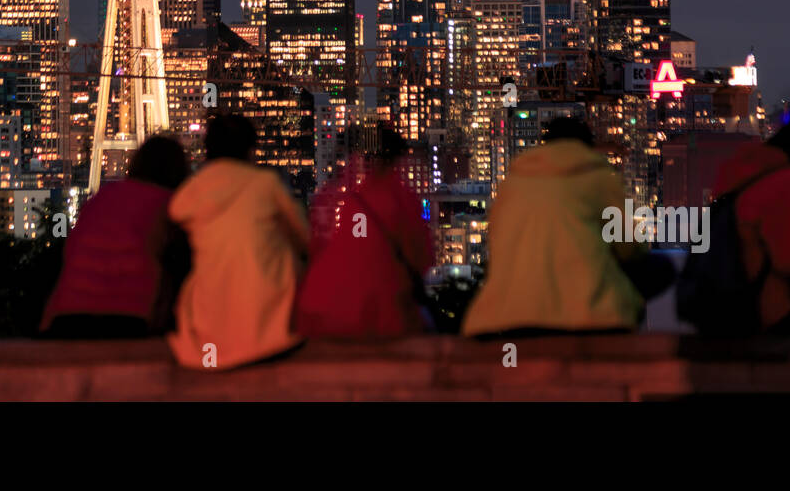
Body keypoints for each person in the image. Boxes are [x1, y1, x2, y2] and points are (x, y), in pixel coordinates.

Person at [461, 116, 645, 336]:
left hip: (508, 313)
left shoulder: (511, 185)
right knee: (658, 269)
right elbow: (630, 247)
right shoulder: (599, 177)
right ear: (587, 146)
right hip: (589, 313)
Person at [167, 113, 310, 369]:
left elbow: (176, 212)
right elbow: (303, 238)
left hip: (209, 326)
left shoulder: (192, 191)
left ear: (208, 150)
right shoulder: (265, 184)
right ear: (250, 149)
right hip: (271, 327)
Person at [705, 106, 790, 332]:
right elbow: (789, 261)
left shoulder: (739, 165)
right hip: (759, 309)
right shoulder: (787, 182)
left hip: (714, 299)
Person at [41, 135, 192, 338]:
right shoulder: (171, 206)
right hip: (129, 321)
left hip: (65, 321)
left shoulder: (101, 198)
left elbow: (69, 259)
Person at [295, 126, 434, 338]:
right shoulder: (399, 199)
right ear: (393, 160)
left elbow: (313, 248)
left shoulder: (332, 197)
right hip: (380, 316)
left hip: (320, 311)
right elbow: (423, 257)